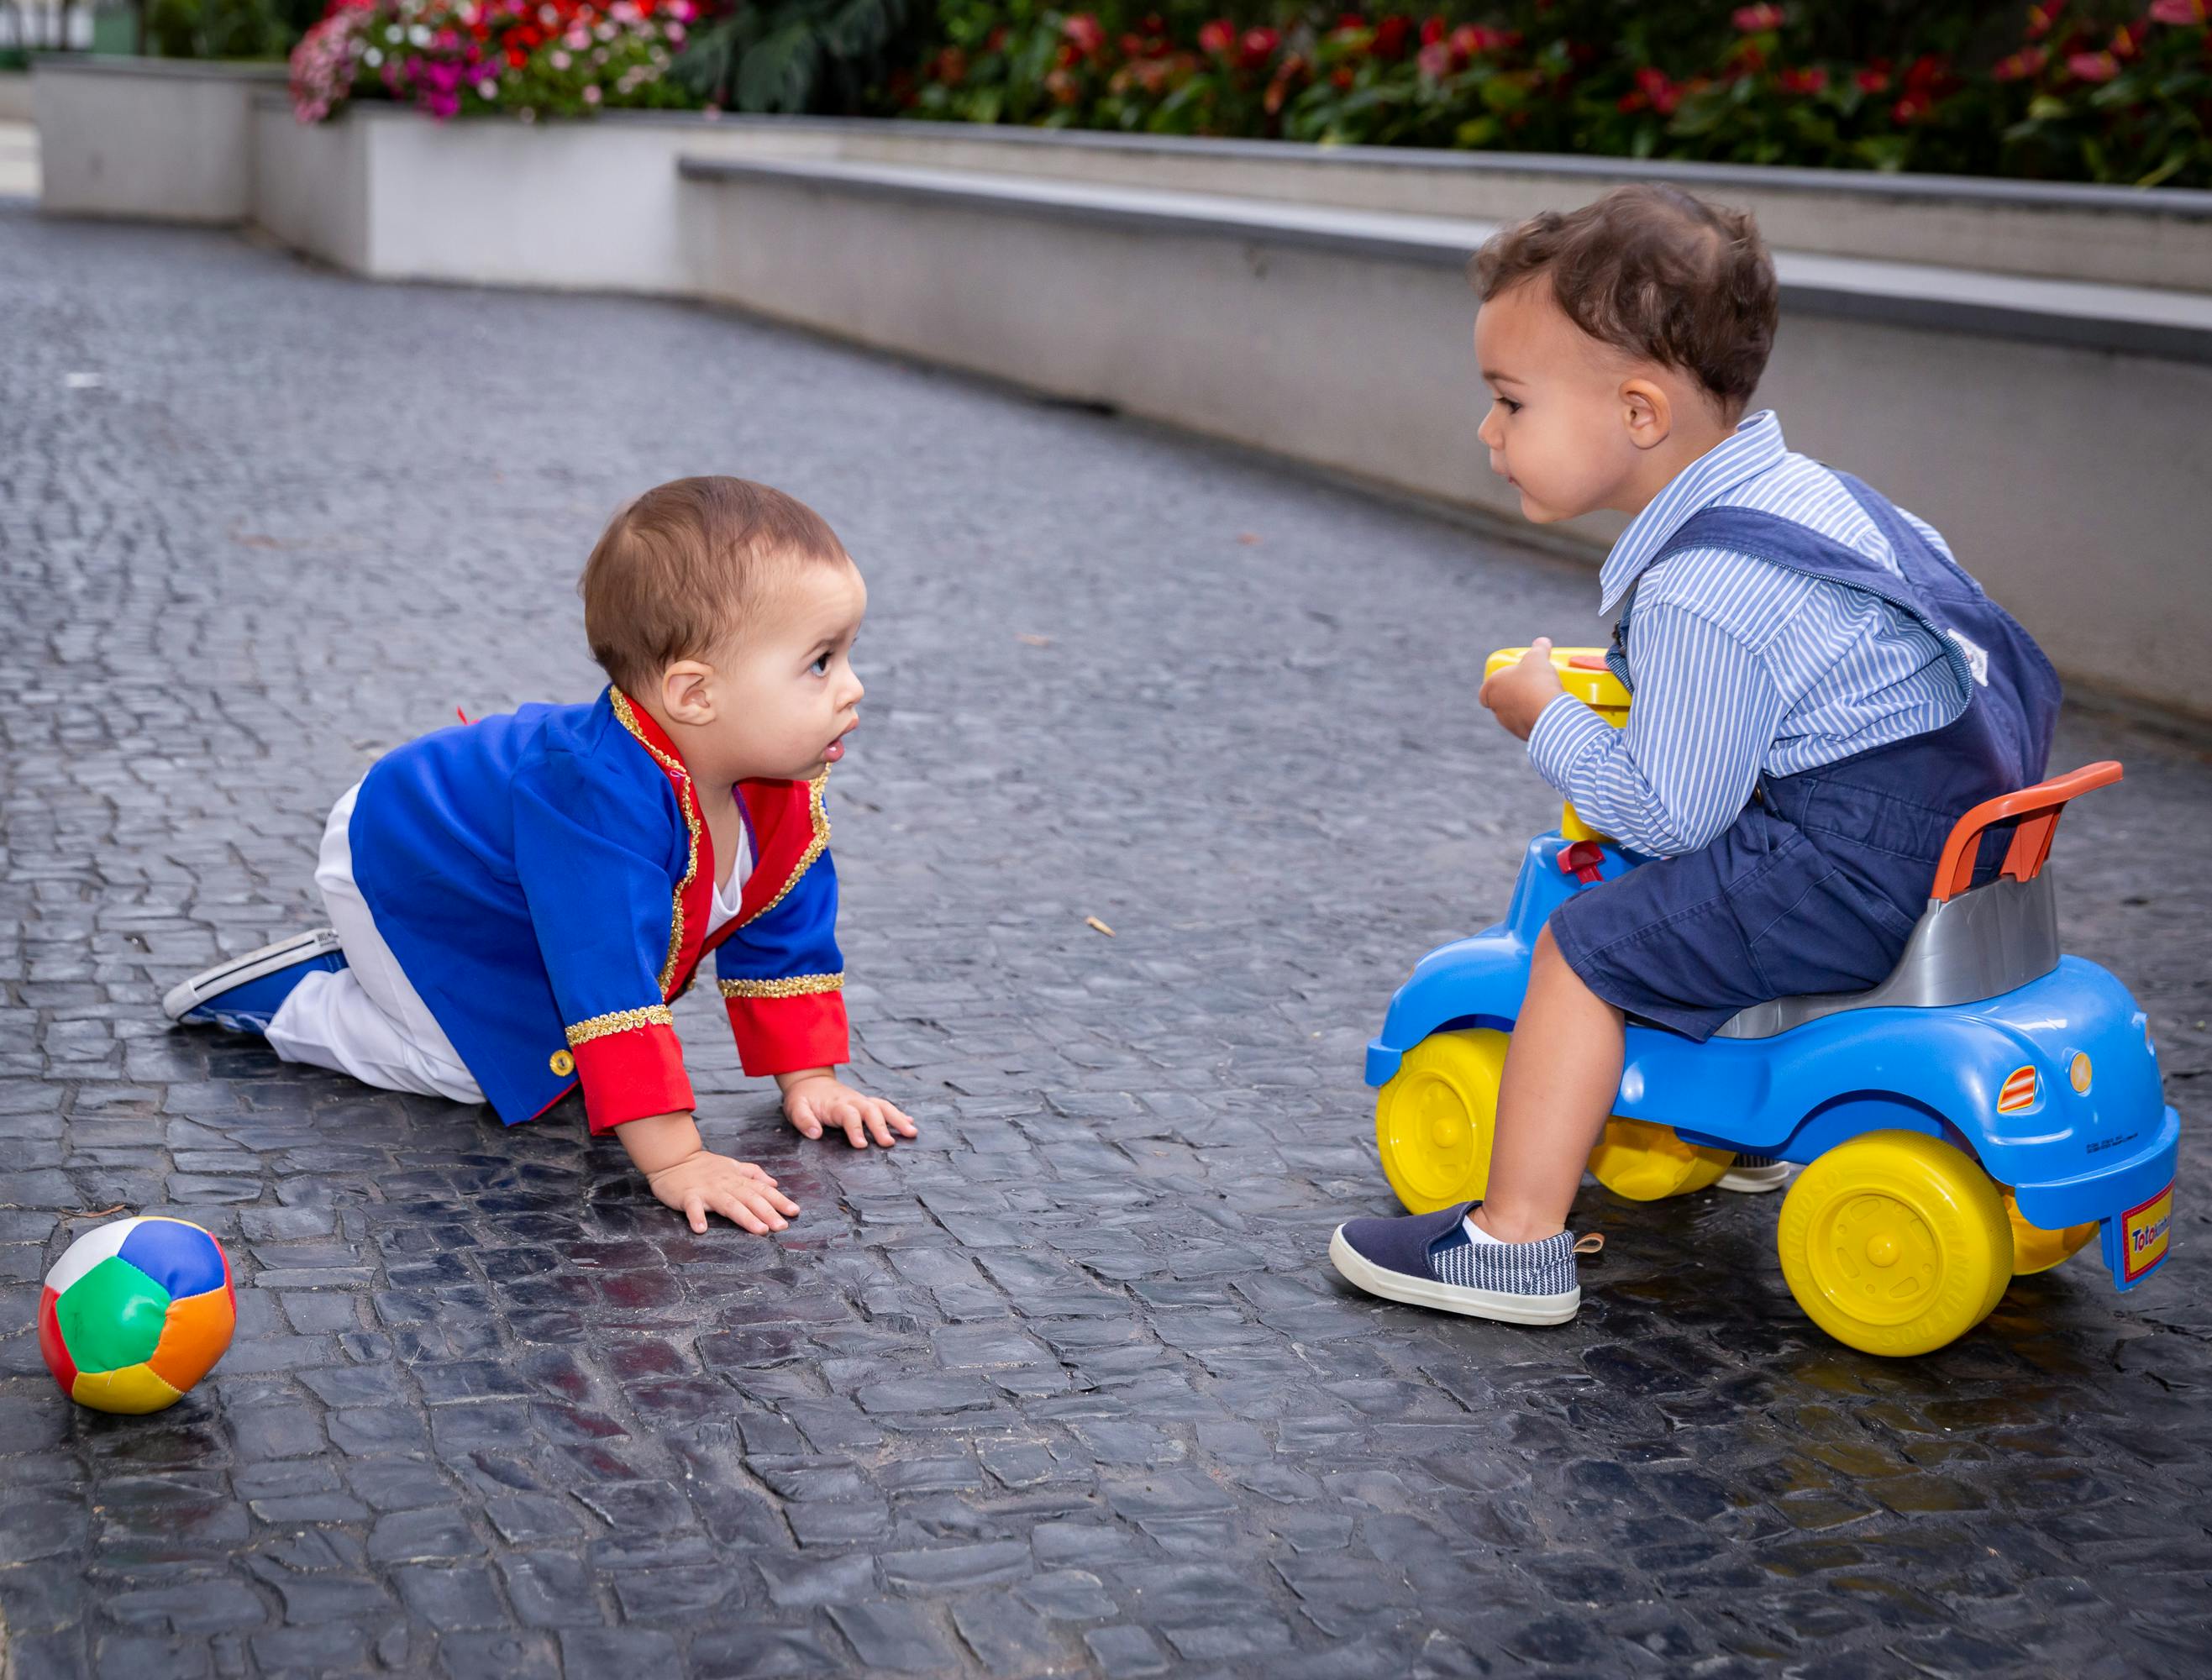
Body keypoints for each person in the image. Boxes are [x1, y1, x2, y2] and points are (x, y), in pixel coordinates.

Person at [1329, 186, 2058, 1325]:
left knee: (1586, 947)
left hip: (1849, 859)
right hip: (1944, 829)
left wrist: (1544, 718)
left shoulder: (1702, 588)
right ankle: (1742, 1125)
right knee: (1701, 898)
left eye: (1509, 402)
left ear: (1636, 412)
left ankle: (1512, 1242)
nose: (1488, 433)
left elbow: (1664, 815)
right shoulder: (1816, 499)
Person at [161, 476, 917, 1235]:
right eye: (820, 662)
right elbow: (607, 981)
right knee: (470, 1070)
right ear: (694, 694)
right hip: (414, 851)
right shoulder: (598, 806)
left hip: (513, 868)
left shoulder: (780, 791)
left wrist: (809, 1078)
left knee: (551, 1044)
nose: (852, 687)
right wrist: (677, 1159)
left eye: (846, 654)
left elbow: (782, 937)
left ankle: (399, 982)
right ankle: (299, 997)